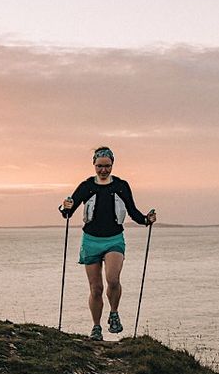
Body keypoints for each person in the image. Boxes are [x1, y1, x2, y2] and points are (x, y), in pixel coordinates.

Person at [59, 146, 156, 340]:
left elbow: (132, 211)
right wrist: (65, 207)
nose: (103, 170)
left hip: (114, 239)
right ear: (94, 165)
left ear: (113, 165)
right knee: (96, 289)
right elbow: (68, 211)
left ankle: (114, 313)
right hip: (91, 240)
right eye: (99, 166)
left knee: (113, 279)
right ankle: (96, 328)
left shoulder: (121, 185)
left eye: (107, 166)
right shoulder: (87, 186)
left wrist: (146, 219)